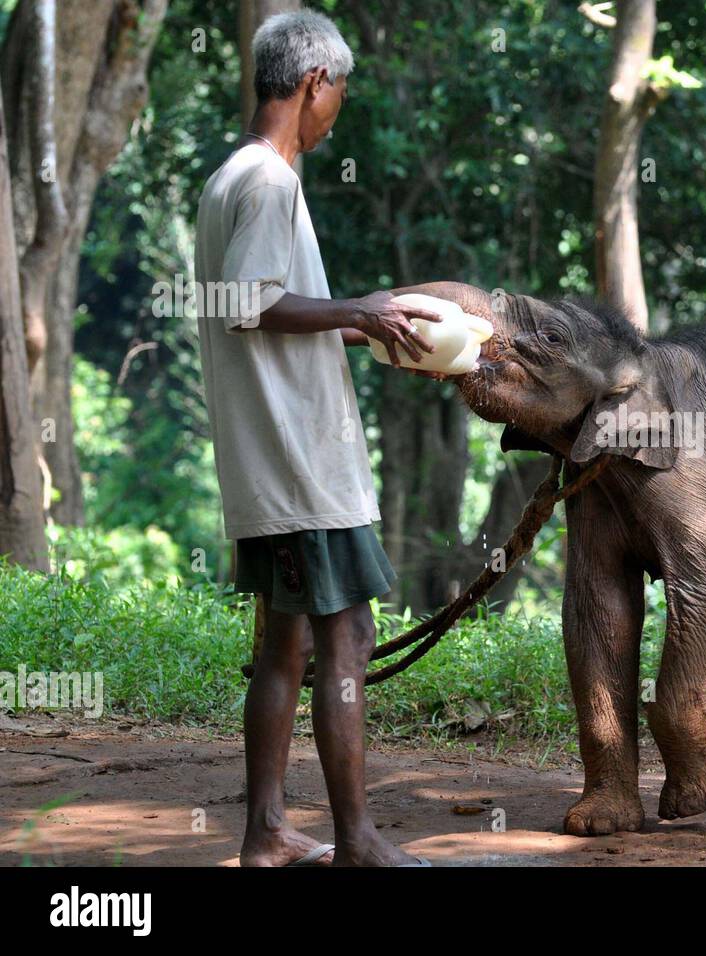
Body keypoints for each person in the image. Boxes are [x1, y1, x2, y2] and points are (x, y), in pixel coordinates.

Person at [194, 9, 440, 867]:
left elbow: (258, 311)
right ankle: (358, 839)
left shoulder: (229, 178)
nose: (339, 106)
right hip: (301, 467)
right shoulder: (269, 183)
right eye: (340, 90)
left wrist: (362, 328)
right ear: (313, 85)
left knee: (284, 642)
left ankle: (265, 831)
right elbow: (247, 303)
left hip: (271, 462)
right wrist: (355, 309)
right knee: (345, 638)